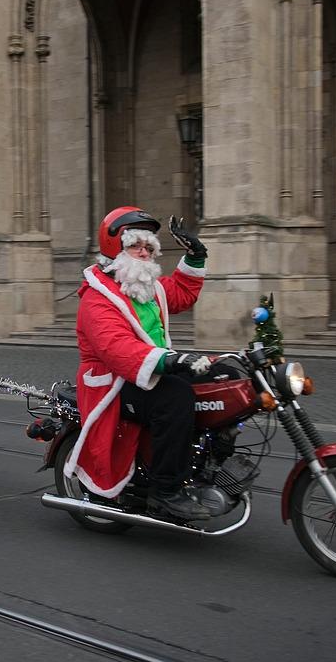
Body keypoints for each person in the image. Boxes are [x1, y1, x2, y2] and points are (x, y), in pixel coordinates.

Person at [66, 207, 213, 521]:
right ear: (116, 248)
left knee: (218, 383)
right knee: (176, 398)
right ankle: (166, 490)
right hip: (113, 382)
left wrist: (196, 255)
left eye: (149, 247)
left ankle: (202, 466)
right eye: (136, 246)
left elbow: (182, 293)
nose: (145, 253)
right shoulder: (97, 297)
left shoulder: (147, 286)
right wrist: (170, 360)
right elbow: (116, 347)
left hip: (147, 371)